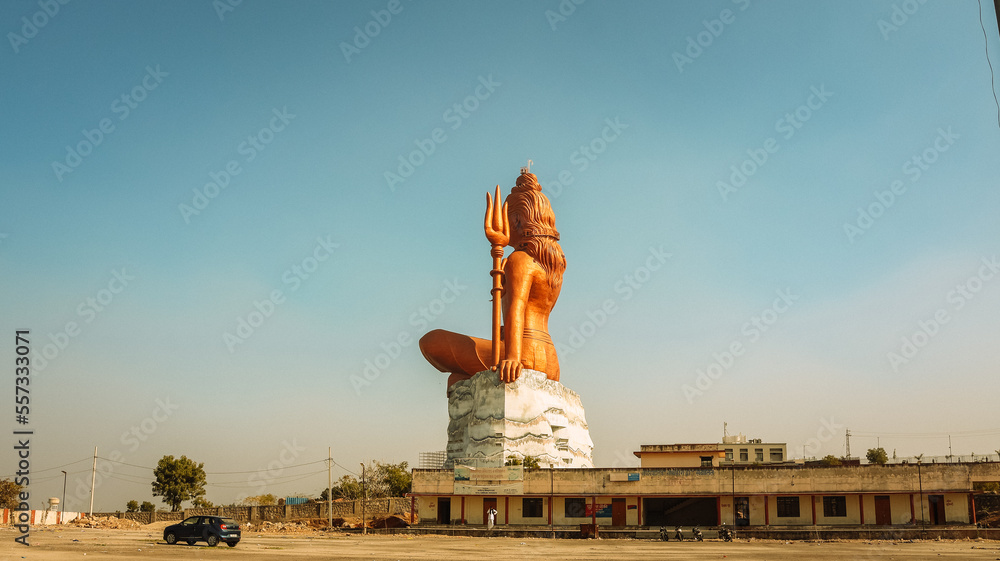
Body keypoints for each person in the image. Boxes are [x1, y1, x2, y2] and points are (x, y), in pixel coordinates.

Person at [419, 171, 566, 391]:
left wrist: (513, 357)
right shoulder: (553, 264)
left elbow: (516, 308)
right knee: (457, 379)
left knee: (432, 341)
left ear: (516, 220)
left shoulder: (521, 260)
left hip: (521, 355)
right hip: (550, 360)